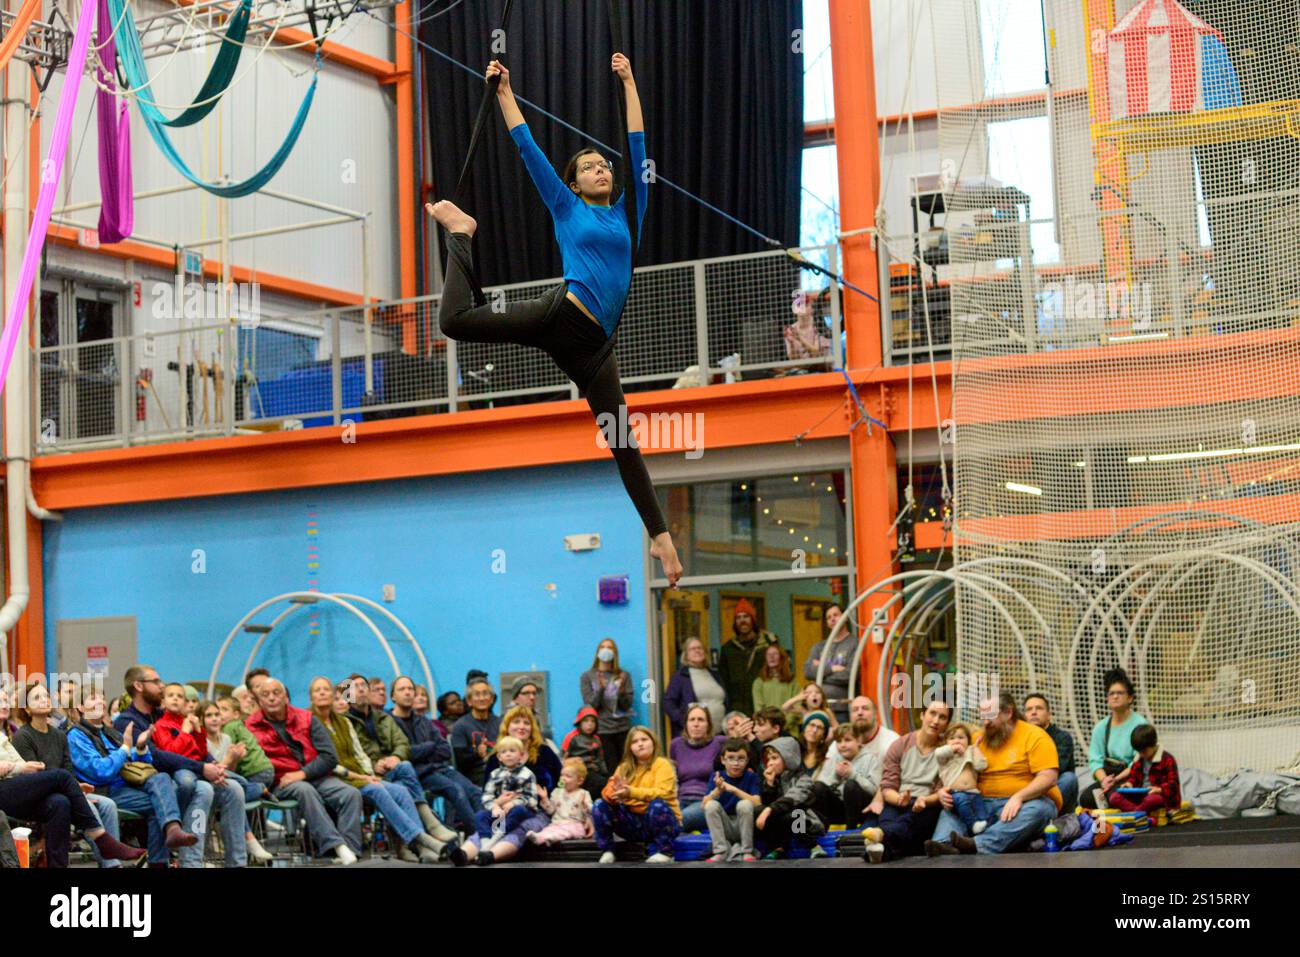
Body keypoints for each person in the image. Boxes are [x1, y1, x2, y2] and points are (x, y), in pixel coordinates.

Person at [428, 51, 683, 587]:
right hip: (559, 316)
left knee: (621, 437)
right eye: (589, 166)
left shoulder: (627, 214)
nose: (600, 168)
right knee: (455, 319)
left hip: (595, 349)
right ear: (573, 184)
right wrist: (504, 94)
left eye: (603, 165)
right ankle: (461, 234)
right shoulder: (567, 208)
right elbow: (529, 150)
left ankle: (659, 538)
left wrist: (631, 81)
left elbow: (638, 149)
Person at [309, 677, 444, 863]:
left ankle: (417, 844)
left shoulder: (344, 723)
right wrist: (365, 776)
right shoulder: (312, 722)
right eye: (319, 691)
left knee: (401, 788)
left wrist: (370, 774)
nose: (339, 702)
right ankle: (419, 838)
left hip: (362, 774)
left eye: (333, 693)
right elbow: (328, 762)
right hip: (339, 778)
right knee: (377, 789)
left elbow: (360, 754)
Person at [68, 688, 198, 866]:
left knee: (161, 780)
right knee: (160, 804)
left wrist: (140, 747)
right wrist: (125, 748)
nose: (100, 702)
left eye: (102, 698)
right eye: (93, 698)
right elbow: (100, 772)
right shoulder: (76, 735)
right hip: (104, 791)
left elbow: (139, 764)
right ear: (80, 707)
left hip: (127, 787)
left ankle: (171, 832)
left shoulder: (110, 732)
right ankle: (162, 853)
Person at [245, 677, 363, 865]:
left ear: (286, 698)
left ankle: (352, 851)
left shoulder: (307, 718)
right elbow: (253, 764)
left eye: (276, 693)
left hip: (314, 775)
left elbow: (329, 757)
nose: (271, 698)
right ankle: (337, 846)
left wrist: (303, 773)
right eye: (265, 695)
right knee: (304, 790)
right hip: (279, 782)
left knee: (351, 793)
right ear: (259, 701)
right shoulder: (250, 727)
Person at [12, 681, 130, 869]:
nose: (44, 700)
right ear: (26, 708)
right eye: (36, 697)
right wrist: (75, 794)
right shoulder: (22, 736)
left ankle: (112, 860)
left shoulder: (59, 735)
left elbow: (67, 770)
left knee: (107, 804)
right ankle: (110, 858)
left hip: (64, 790)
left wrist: (77, 788)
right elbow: (34, 777)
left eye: (45, 696)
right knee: (78, 804)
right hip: (36, 795)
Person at [926, 694, 1061, 856]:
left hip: (1022, 805)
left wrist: (1019, 797)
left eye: (990, 715)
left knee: (1041, 809)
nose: (985, 722)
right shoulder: (977, 739)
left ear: (1008, 713)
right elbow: (953, 768)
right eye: (982, 716)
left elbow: (1049, 776)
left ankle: (978, 845)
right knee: (953, 806)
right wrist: (942, 791)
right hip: (979, 803)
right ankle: (943, 847)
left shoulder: (1035, 736)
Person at [0, 728, 145, 868]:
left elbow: (19, 765)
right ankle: (100, 838)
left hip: (13, 784)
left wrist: (72, 789)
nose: (5, 705)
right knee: (61, 776)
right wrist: (17, 767)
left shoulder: (57, 735)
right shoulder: (24, 734)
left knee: (59, 803)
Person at [342, 673, 457, 844]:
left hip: (390, 769)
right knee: (403, 784)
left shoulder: (383, 717)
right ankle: (424, 836)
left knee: (404, 767)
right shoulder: (345, 722)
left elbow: (402, 742)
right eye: (354, 687)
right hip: (367, 774)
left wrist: (395, 756)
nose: (360, 690)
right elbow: (352, 754)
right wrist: (374, 764)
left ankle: (419, 840)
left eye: (363, 686)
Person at [149, 682, 253, 867]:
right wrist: (185, 732)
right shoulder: (161, 725)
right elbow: (171, 753)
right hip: (181, 774)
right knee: (204, 790)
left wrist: (198, 732)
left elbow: (201, 751)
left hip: (200, 769)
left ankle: (238, 862)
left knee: (235, 788)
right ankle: (192, 862)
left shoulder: (188, 721)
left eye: (180, 696)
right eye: (171, 695)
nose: (176, 699)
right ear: (163, 701)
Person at [453, 705, 563, 866]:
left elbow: (562, 783)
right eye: (516, 722)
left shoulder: (545, 752)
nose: (521, 726)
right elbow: (487, 792)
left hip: (536, 810)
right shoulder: (495, 758)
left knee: (521, 827)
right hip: (501, 809)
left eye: (526, 723)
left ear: (532, 728)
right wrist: (498, 805)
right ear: (507, 727)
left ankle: (489, 855)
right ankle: (463, 855)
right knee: (487, 825)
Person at [859, 699, 951, 864]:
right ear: (922, 715)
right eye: (932, 713)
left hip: (926, 804)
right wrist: (899, 799)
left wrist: (924, 800)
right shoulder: (900, 745)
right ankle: (883, 848)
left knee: (909, 821)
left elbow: (942, 791)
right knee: (889, 820)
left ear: (946, 724)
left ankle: (879, 843)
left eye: (942, 717)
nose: (936, 721)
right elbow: (887, 787)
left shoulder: (946, 752)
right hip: (898, 799)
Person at [389, 675, 482, 836]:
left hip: (438, 768)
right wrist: (429, 747)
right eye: (402, 689)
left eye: (410, 689)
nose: (407, 692)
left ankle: (489, 833)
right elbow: (404, 754)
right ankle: (479, 837)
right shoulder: (388, 722)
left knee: (474, 791)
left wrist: (423, 751)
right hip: (417, 773)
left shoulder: (423, 721)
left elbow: (445, 749)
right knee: (456, 790)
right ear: (393, 696)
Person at [199, 700, 274, 862]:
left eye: (217, 714)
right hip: (213, 786)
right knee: (239, 786)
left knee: (236, 788)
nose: (214, 719)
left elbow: (229, 772)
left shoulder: (226, 738)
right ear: (201, 720)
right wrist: (229, 759)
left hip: (227, 783)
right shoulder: (201, 740)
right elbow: (214, 770)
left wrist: (235, 759)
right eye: (208, 715)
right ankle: (258, 790)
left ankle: (248, 843)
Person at [593, 726, 680, 864]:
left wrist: (630, 792)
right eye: (635, 742)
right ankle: (608, 850)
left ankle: (666, 852)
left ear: (653, 742)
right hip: (632, 823)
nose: (640, 744)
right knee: (599, 805)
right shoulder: (624, 767)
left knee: (657, 804)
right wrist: (614, 793)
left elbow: (663, 793)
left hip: (662, 821)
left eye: (644, 739)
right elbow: (607, 794)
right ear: (630, 748)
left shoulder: (663, 764)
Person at [1081, 667, 1148, 810]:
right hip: (1109, 778)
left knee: (1116, 795)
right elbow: (1095, 761)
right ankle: (1114, 811)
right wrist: (1104, 780)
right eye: (1111, 693)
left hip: (1132, 778)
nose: (1115, 696)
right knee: (1086, 797)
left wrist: (1117, 780)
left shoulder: (1140, 724)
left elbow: (1139, 761)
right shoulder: (1101, 727)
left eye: (1120, 693)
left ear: (1130, 698)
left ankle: (1125, 808)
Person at [755, 736, 825, 859]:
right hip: (784, 823)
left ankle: (814, 847)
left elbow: (793, 799)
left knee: (795, 813)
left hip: (806, 821)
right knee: (758, 810)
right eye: (768, 759)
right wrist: (770, 785)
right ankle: (778, 848)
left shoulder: (804, 779)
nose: (770, 763)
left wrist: (769, 810)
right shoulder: (774, 780)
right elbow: (767, 803)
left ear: (789, 758)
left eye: (775, 758)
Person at [471, 736, 539, 860]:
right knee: (480, 815)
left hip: (520, 810)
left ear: (521, 755)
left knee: (519, 811)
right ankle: (486, 844)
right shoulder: (494, 774)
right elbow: (487, 796)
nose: (508, 754)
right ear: (499, 757)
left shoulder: (527, 774)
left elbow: (532, 798)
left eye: (512, 751)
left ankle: (498, 836)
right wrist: (495, 806)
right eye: (504, 752)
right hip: (500, 810)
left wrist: (514, 803)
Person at [702, 737, 761, 862]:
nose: (736, 763)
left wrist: (734, 789)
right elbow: (704, 806)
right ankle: (720, 851)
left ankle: (747, 851)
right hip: (725, 827)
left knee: (745, 804)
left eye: (741, 758)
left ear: (747, 760)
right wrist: (718, 791)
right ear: (723, 760)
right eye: (731, 758)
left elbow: (757, 803)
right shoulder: (716, 776)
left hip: (744, 826)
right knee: (711, 805)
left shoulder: (751, 776)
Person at [669, 704, 726, 833]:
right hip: (680, 800)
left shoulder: (719, 743)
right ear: (686, 724)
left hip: (705, 801)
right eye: (692, 720)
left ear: (708, 725)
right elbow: (673, 779)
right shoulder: (675, 745)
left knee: (676, 821)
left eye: (701, 720)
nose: (696, 724)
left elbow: (740, 749)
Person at [580, 638, 635, 770]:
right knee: (610, 769)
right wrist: (601, 689)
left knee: (627, 768)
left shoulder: (623, 675)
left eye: (610, 648)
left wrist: (621, 692)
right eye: (603, 647)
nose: (606, 650)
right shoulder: (587, 676)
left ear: (614, 652)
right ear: (598, 651)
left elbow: (627, 705)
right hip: (602, 730)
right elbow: (590, 706)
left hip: (622, 729)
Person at [813, 722, 880, 828]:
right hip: (839, 808)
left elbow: (874, 790)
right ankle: (821, 831)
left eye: (847, 740)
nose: (842, 745)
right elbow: (821, 787)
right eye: (839, 741)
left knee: (850, 785)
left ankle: (850, 832)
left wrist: (852, 774)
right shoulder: (833, 759)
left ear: (858, 741)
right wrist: (836, 776)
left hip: (862, 809)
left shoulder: (871, 759)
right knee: (817, 786)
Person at [718, 600, 778, 717]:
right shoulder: (727, 649)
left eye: (746, 616)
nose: (742, 621)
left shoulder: (768, 645)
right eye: (738, 618)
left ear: (753, 620)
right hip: (736, 706)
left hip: (764, 703)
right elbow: (723, 679)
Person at [1108, 724, 1181, 819]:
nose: (1142, 754)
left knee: (1151, 800)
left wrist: (1160, 789)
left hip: (1159, 797)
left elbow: (1174, 784)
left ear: (1154, 744)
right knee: (1114, 797)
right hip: (1140, 796)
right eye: (1139, 752)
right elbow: (1133, 778)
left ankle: (1135, 816)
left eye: (1144, 751)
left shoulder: (1167, 759)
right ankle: (1140, 815)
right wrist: (1129, 784)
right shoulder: (1139, 759)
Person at [1024, 693, 1078, 811]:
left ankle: (1042, 810)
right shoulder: (1021, 738)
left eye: (1039, 708)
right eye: (1029, 709)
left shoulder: (1063, 738)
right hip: (1027, 788)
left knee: (1069, 778)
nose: (1033, 712)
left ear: (1048, 715)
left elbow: (1055, 770)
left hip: (1052, 788)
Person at [664, 637, 727, 738]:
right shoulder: (680, 677)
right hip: (695, 737)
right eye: (693, 649)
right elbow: (668, 703)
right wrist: (685, 721)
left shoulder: (714, 674)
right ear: (686, 655)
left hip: (719, 733)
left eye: (700, 648)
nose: (697, 650)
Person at [935, 723, 991, 836]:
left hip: (974, 793)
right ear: (946, 742)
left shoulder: (969, 752)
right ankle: (973, 824)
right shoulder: (945, 756)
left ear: (968, 740)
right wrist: (952, 748)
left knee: (983, 815)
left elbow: (981, 766)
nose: (957, 741)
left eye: (961, 737)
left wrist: (975, 749)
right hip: (955, 793)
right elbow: (938, 753)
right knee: (963, 802)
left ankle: (981, 831)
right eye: (952, 738)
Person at [803, 605, 856, 722]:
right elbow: (807, 672)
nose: (832, 619)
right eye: (828, 617)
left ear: (845, 617)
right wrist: (832, 668)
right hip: (819, 707)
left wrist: (820, 673)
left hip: (843, 709)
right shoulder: (819, 647)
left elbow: (850, 675)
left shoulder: (854, 643)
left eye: (836, 615)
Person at [215, 695, 276, 792]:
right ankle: (262, 792)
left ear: (236, 714)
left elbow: (225, 752)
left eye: (224, 709)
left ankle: (259, 790)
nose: (219, 713)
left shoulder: (229, 727)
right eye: (217, 710)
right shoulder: (239, 725)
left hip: (254, 771)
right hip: (266, 769)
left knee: (237, 793)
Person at [529, 757, 595, 846]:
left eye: (568, 776)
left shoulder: (583, 794)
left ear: (579, 781)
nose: (563, 778)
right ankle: (540, 837)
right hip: (557, 824)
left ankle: (549, 838)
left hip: (575, 825)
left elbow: (591, 811)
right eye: (562, 775)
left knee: (563, 832)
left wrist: (586, 805)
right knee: (548, 830)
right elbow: (551, 811)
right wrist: (545, 799)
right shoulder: (556, 792)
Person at [450, 678, 499, 787]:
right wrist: (477, 754)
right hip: (474, 777)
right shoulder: (460, 726)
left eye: (485, 694)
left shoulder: (500, 722)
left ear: (491, 699)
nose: (481, 698)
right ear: (469, 701)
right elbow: (460, 761)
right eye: (477, 694)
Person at [561, 706, 609, 797]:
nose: (590, 724)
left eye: (593, 721)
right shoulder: (571, 737)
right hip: (577, 772)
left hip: (595, 772)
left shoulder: (597, 739)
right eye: (586, 721)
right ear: (579, 722)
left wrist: (606, 775)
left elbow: (600, 759)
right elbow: (562, 758)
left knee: (605, 783)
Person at [783, 290, 832, 363]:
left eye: (805, 305)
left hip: (823, 369)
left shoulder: (821, 325)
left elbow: (817, 355)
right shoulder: (791, 329)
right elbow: (792, 359)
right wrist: (791, 344)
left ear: (812, 309)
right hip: (803, 369)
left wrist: (800, 339)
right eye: (798, 305)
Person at [752, 644, 800, 718]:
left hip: (789, 726)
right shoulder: (759, 682)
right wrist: (770, 726)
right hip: (767, 727)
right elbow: (759, 709)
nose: (771, 657)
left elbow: (797, 707)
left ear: (782, 657)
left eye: (775, 654)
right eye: (768, 654)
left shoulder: (792, 681)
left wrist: (783, 724)